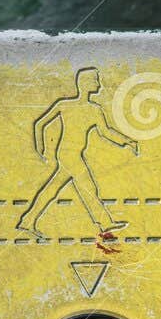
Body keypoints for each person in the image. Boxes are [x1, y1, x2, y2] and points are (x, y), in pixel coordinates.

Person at [16, 66, 140, 240]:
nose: (99, 84)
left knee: (52, 189)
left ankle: (27, 221)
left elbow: (106, 132)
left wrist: (127, 141)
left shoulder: (93, 109)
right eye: (96, 80)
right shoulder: (66, 105)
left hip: (71, 154)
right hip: (69, 155)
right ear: (85, 83)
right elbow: (40, 124)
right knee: (87, 187)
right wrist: (40, 148)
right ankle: (104, 223)